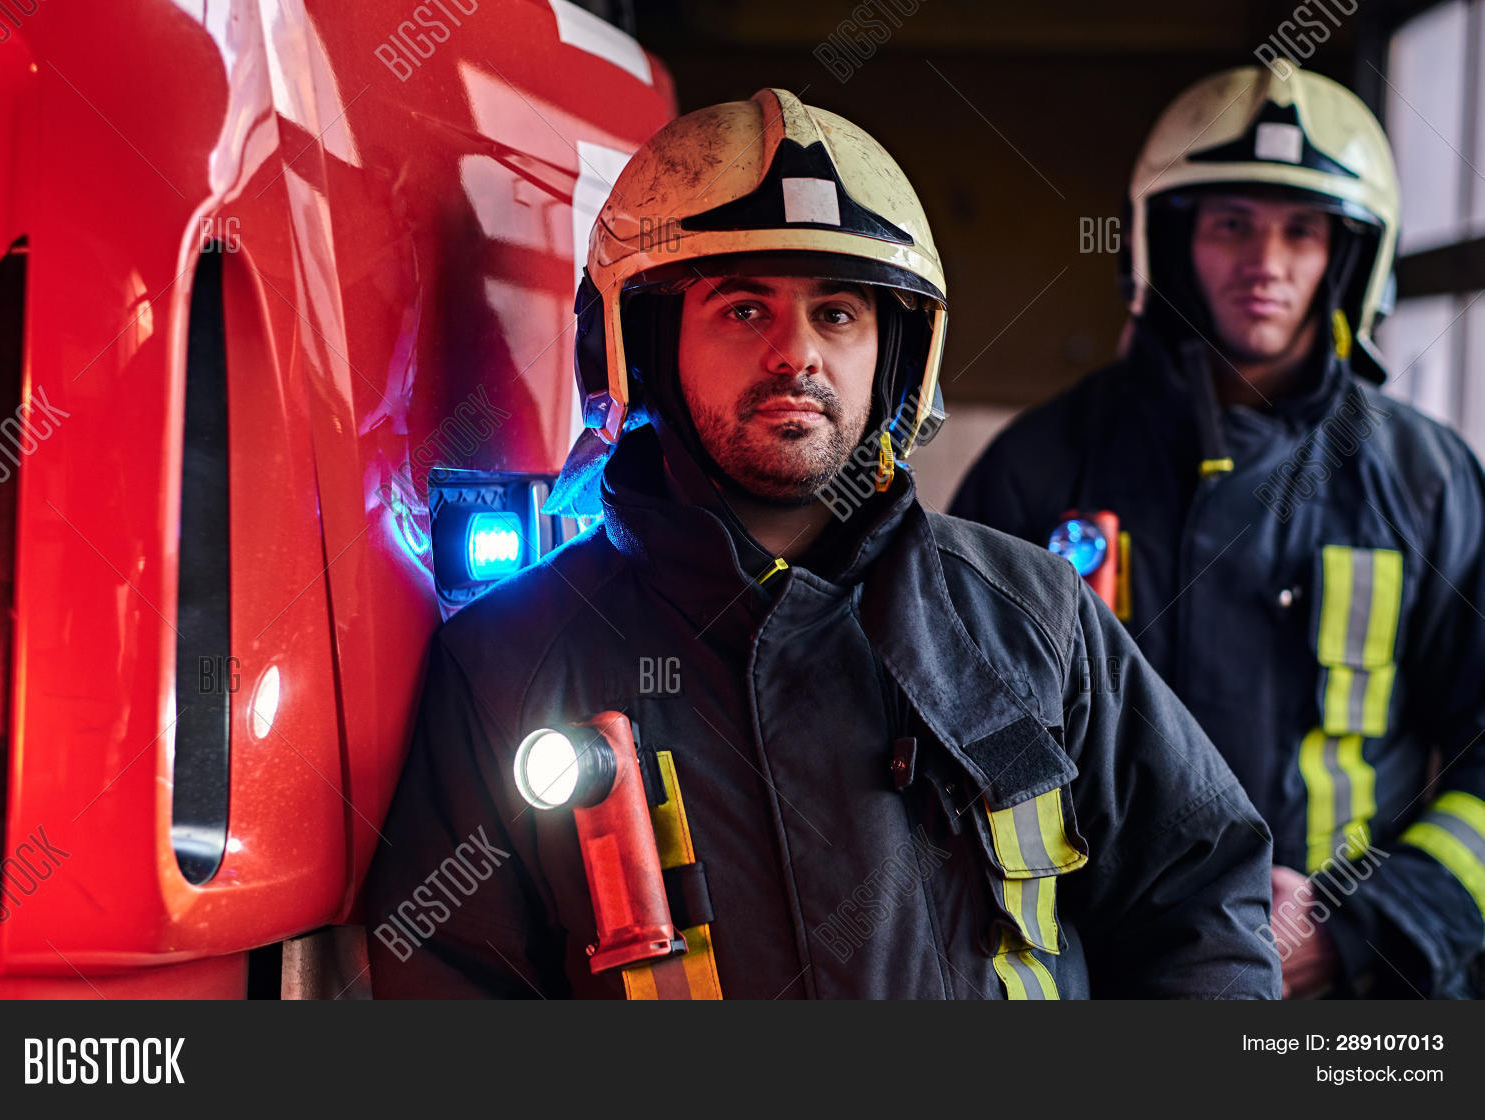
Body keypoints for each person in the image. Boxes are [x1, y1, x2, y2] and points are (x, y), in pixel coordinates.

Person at [365, 88, 1278, 999]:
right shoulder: (508, 665)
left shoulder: (1034, 615)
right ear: (640, 346)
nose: (796, 354)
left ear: (895, 356)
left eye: (836, 312)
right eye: (743, 309)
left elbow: (1201, 898)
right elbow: (453, 987)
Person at [950, 66, 1485, 999]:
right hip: (1103, 981)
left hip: (1354, 996)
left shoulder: (1426, 481)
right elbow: (953, 737)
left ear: (1351, 257)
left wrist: (1362, 925)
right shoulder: (1041, 464)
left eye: (1301, 230)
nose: (1265, 261)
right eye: (1231, 223)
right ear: (1170, 237)